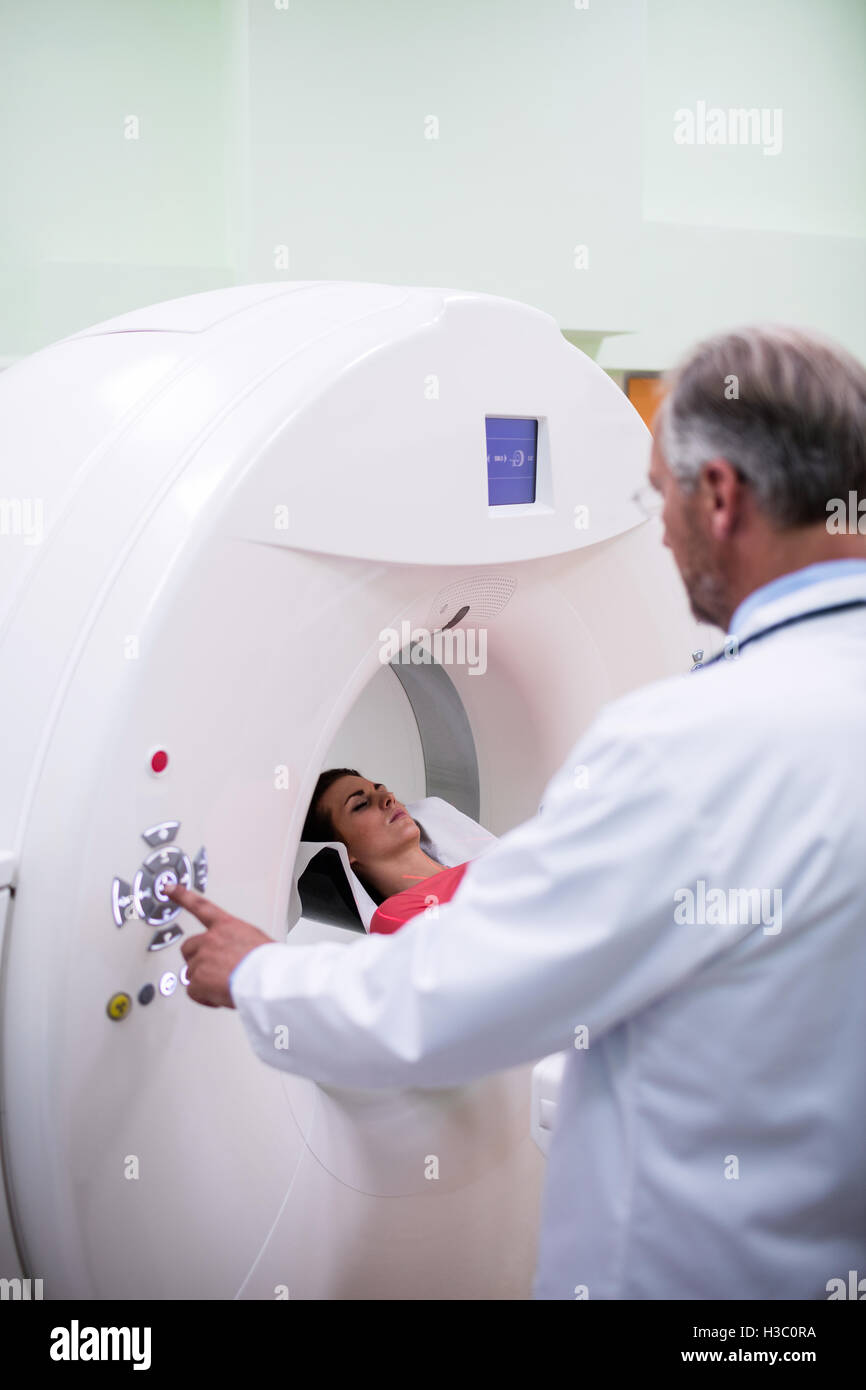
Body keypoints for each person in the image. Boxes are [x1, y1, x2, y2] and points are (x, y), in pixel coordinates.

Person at [166, 323, 866, 1300]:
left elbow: (447, 998)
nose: (660, 536)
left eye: (656, 500)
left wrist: (257, 974)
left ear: (718, 496)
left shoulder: (688, 746)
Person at [300, 767, 472, 934]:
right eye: (361, 804)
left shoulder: (477, 866)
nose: (388, 797)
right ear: (341, 853)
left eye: (382, 790)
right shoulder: (393, 918)